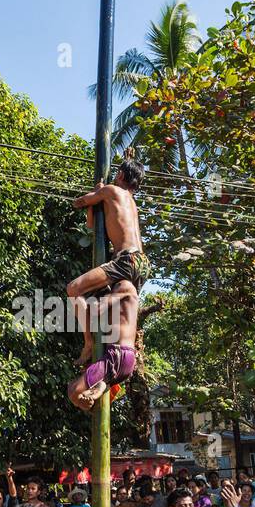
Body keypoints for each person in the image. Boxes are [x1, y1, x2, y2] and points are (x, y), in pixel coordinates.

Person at [68, 156, 150, 366]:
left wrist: (97, 191)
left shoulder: (112, 190)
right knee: (117, 307)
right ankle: (114, 358)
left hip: (125, 260)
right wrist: (97, 197)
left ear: (121, 175)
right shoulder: (132, 203)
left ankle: (89, 343)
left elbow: (78, 202)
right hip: (142, 264)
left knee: (74, 289)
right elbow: (93, 224)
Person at [67, 280, 139, 410]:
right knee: (79, 393)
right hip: (120, 356)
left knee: (73, 392)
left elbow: (97, 309)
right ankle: (101, 384)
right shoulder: (124, 296)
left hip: (118, 355)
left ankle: (101, 385)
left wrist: (83, 302)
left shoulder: (125, 285)